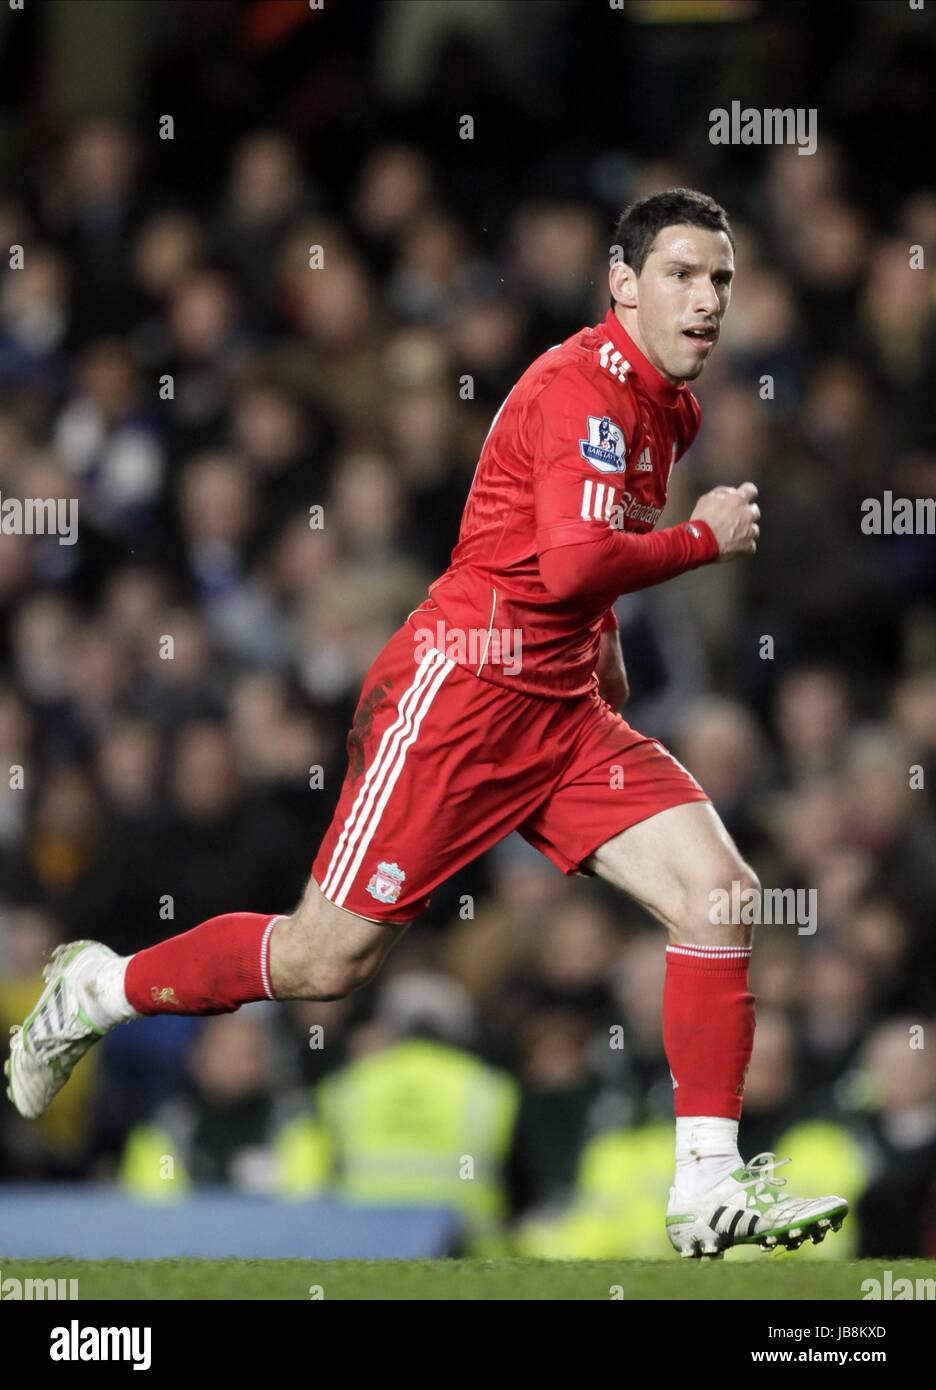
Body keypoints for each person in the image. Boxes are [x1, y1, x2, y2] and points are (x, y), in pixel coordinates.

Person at [6, 189, 847, 1258]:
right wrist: (701, 539)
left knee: (721, 891)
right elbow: (576, 559)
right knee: (321, 962)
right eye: (682, 274)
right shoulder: (578, 388)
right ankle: (95, 987)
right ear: (622, 285)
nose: (708, 298)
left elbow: (581, 564)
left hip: (561, 710)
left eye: (721, 278)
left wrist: (608, 643)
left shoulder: (666, 406)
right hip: (460, 698)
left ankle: (707, 1186)